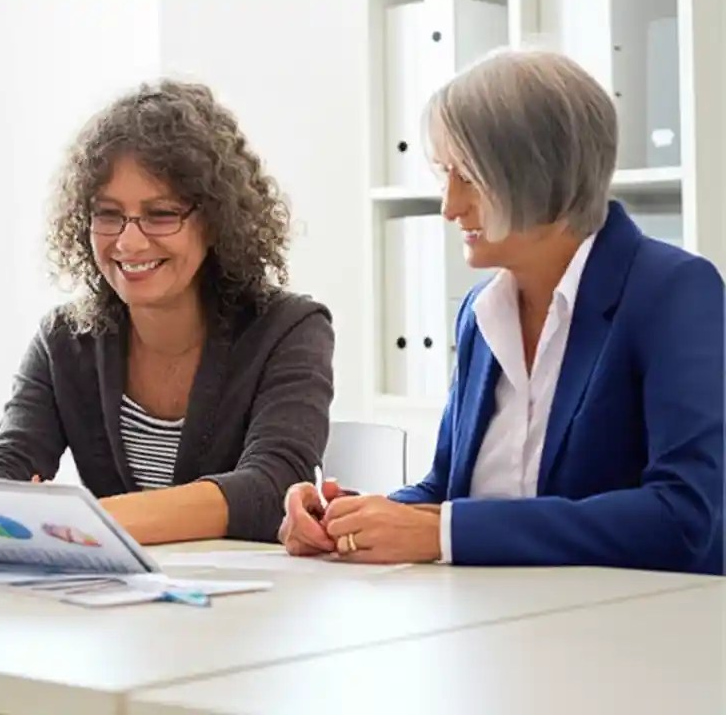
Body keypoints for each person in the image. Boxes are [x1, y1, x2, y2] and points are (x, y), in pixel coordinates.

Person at [279, 50, 724, 575]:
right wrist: (344, 520)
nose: (448, 206)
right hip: (497, 628)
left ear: (540, 173)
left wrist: (442, 532)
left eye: (468, 176)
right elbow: (446, 490)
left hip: (631, 635)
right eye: (445, 175)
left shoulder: (673, 292)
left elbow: (686, 515)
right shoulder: (480, 313)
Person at [0, 79, 335, 554]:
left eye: (160, 215)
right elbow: (10, 462)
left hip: (247, 614)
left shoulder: (289, 329)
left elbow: (271, 487)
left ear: (215, 221)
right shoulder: (65, 340)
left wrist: (84, 520)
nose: (128, 243)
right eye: (108, 215)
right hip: (117, 612)